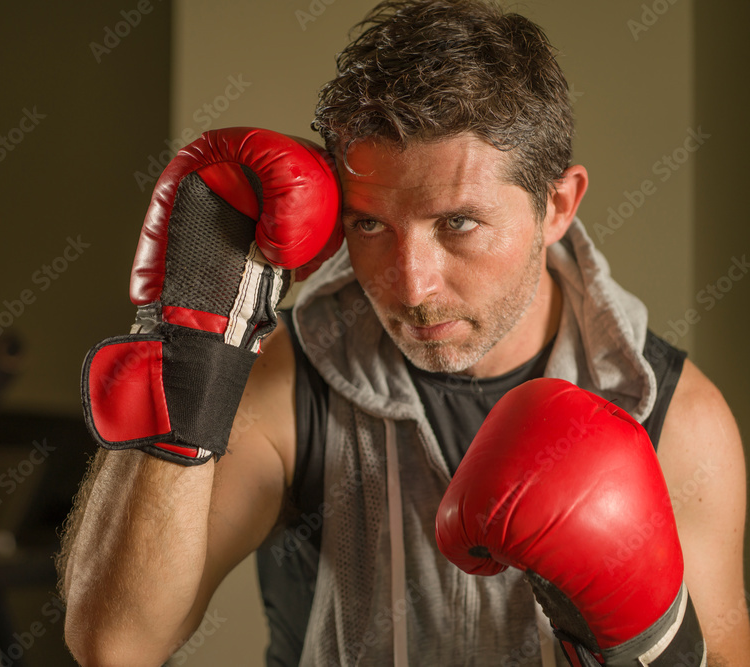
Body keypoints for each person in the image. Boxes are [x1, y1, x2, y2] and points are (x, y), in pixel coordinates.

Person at [58, 1, 750, 665]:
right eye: (370, 225)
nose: (411, 283)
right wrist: (194, 333)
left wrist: (652, 644)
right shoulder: (291, 378)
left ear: (558, 205)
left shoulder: (676, 418)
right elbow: (117, 643)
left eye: (457, 223)